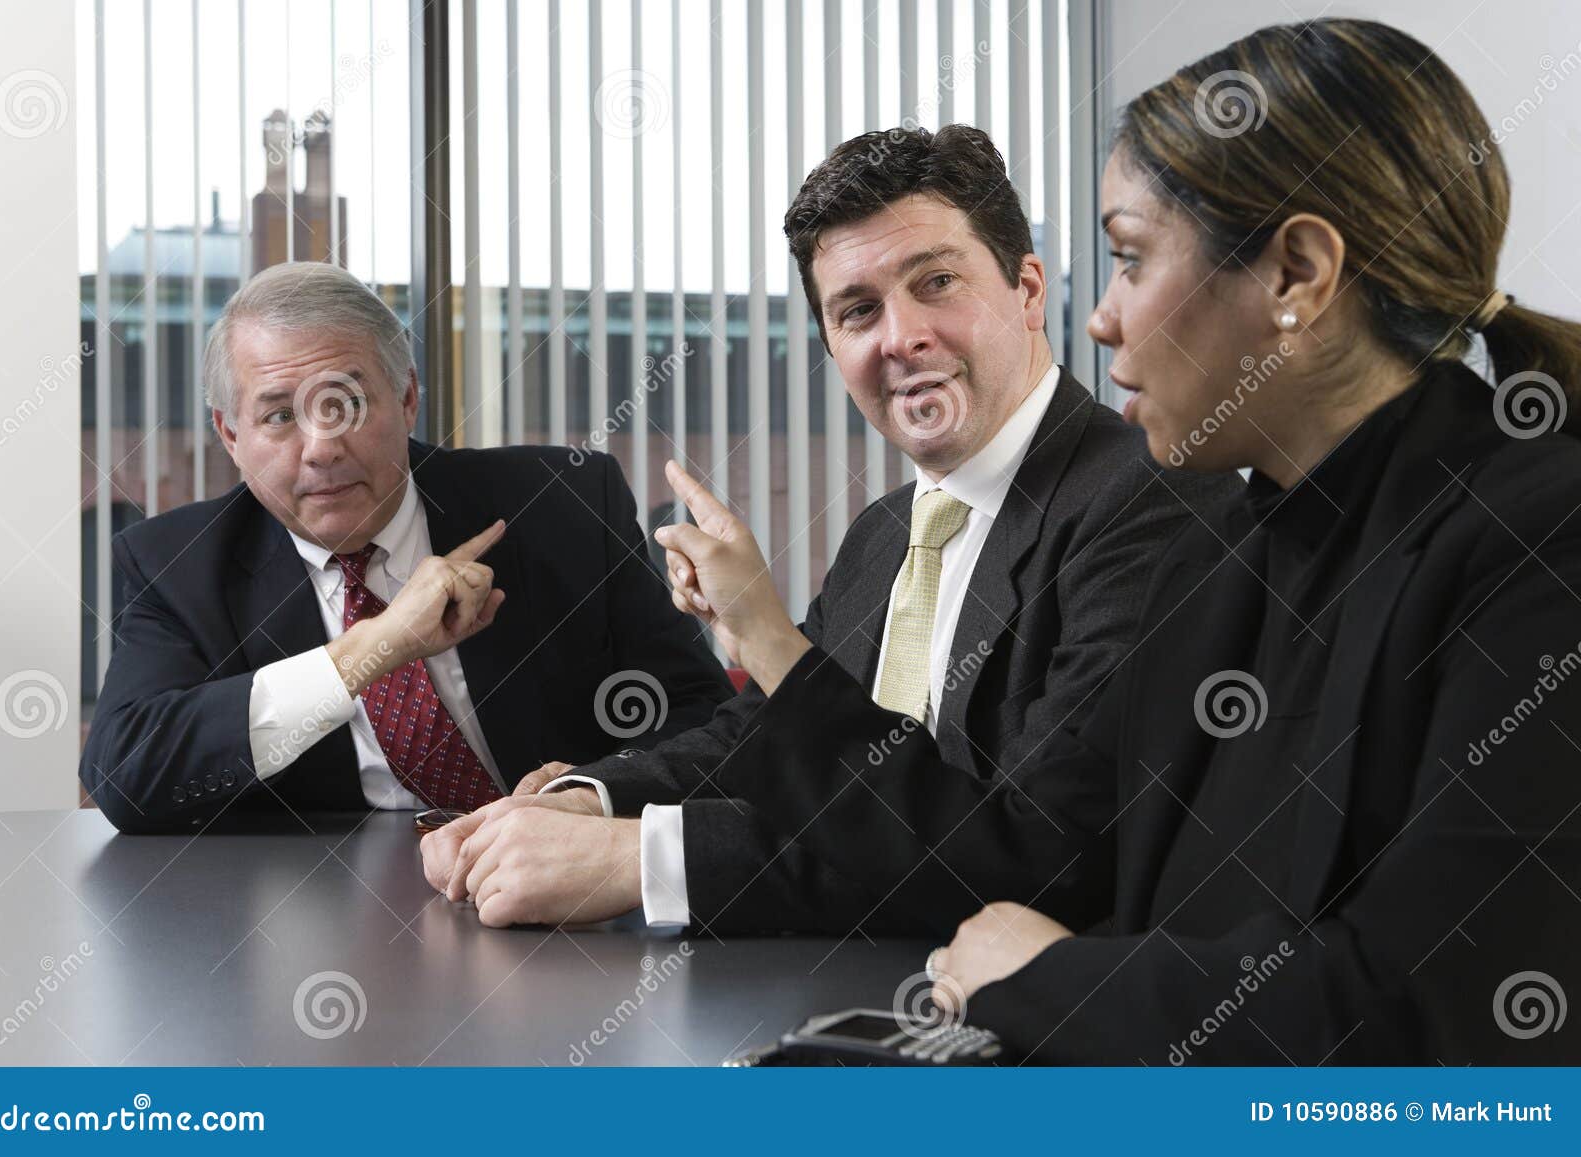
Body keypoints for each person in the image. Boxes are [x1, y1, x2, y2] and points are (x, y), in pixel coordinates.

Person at [640, 19, 1581, 1063]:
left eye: (1130, 258)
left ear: (1297, 274)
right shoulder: (1221, 548)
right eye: (855, 309)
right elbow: (1033, 854)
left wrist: (1045, 981)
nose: (1103, 317)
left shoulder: (1539, 540)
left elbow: (1423, 1023)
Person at [420, 125, 1238, 931]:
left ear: (1028, 291)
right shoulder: (887, 533)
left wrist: (642, 859)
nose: (900, 337)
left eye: (938, 282)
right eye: (857, 311)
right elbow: (778, 731)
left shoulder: (1154, 500)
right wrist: (587, 798)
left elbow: (1031, 854)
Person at [81, 262, 731, 834]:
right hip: (330, 917)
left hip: (566, 892)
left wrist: (598, 789)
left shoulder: (563, 505)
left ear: (409, 397)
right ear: (230, 435)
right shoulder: (177, 564)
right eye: (279, 416)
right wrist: (376, 645)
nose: (322, 447)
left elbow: (705, 716)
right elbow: (128, 773)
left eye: (348, 402)